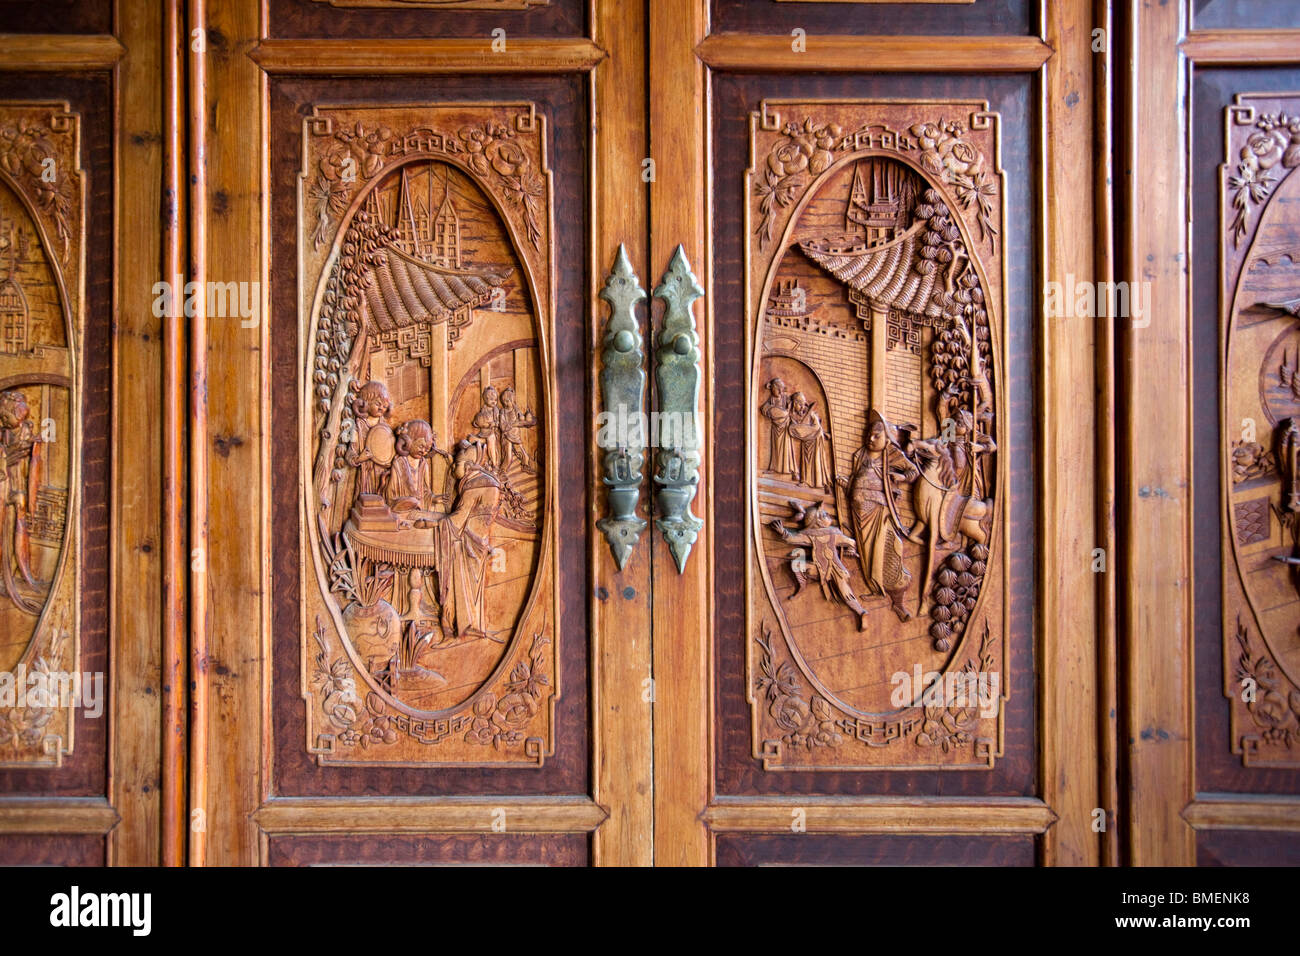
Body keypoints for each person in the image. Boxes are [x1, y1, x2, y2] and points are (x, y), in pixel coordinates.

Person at [840, 410, 919, 622]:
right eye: (869, 434)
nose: (870, 438)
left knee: (889, 548)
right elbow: (857, 478)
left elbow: (913, 472)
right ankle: (874, 586)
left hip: (880, 509)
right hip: (859, 511)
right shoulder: (860, 455)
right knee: (866, 552)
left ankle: (897, 600)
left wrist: (900, 477)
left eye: (877, 436)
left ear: (887, 439)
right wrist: (846, 485)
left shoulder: (892, 454)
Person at [432, 437, 503, 641]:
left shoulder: (474, 486)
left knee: (462, 583)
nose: (454, 467)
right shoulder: (489, 481)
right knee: (474, 584)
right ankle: (472, 623)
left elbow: (458, 519)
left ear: (470, 466)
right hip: (480, 539)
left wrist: (434, 523)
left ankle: (460, 624)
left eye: (458, 464)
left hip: (466, 542)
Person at [769, 500, 869, 631]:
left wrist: (851, 550)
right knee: (797, 564)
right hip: (819, 568)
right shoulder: (812, 535)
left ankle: (861, 612)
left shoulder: (833, 533)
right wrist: (783, 531)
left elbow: (851, 542)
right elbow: (792, 539)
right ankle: (802, 586)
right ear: (817, 521)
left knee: (846, 593)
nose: (827, 516)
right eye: (823, 515)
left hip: (835, 569)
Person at [0, 389, 41, 613]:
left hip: (17, 483)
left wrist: (32, 449)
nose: (6, 421)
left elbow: (31, 458)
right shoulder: (4, 434)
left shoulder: (26, 430)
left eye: (9, 417)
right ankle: (7, 573)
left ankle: (24, 571)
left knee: (21, 516)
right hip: (5, 484)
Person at [346, 380, 395, 499]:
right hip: (365, 472)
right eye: (378, 404)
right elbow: (351, 451)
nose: (381, 408)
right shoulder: (358, 426)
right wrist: (358, 459)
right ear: (365, 403)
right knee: (365, 501)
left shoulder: (385, 427)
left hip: (381, 471)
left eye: (384, 406)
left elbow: (390, 448)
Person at [788, 391, 833, 491]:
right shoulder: (795, 415)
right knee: (805, 460)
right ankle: (805, 481)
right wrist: (800, 428)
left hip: (815, 441)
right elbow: (794, 427)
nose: (800, 407)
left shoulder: (811, 414)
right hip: (806, 442)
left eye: (801, 404)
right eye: (798, 404)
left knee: (815, 461)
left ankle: (819, 483)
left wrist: (805, 430)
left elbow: (817, 427)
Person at [759, 377, 797, 477]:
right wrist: (770, 410)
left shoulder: (785, 398)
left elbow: (792, 409)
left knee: (786, 448)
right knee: (775, 448)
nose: (777, 392)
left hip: (785, 427)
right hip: (776, 428)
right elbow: (764, 408)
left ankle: (791, 470)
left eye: (777, 389)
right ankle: (773, 468)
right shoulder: (772, 399)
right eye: (774, 390)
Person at [497, 386, 537, 474]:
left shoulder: (515, 409)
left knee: (524, 455)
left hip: (515, 435)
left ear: (512, 400)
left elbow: (522, 419)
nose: (506, 403)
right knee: (509, 457)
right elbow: (502, 426)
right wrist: (513, 424)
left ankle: (525, 466)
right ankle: (502, 472)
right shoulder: (502, 412)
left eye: (508, 401)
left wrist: (524, 419)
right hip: (507, 436)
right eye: (504, 401)